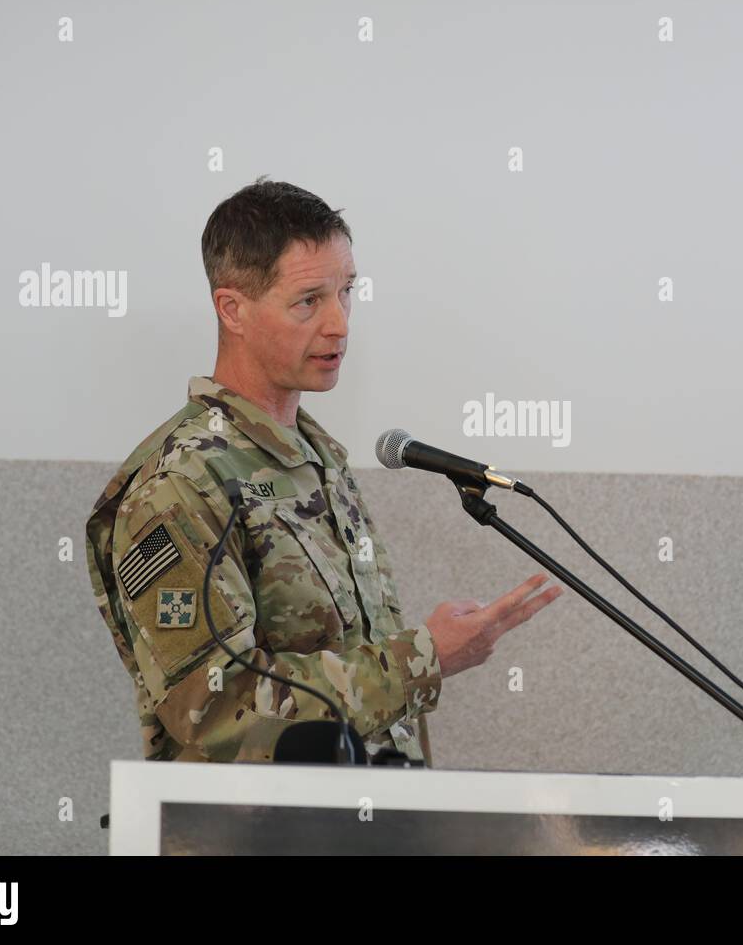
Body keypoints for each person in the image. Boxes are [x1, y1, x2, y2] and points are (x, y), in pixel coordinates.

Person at [84, 178, 562, 763]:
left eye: (347, 292)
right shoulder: (180, 484)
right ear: (232, 309)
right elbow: (216, 711)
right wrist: (422, 659)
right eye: (309, 300)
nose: (339, 323)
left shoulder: (317, 458)